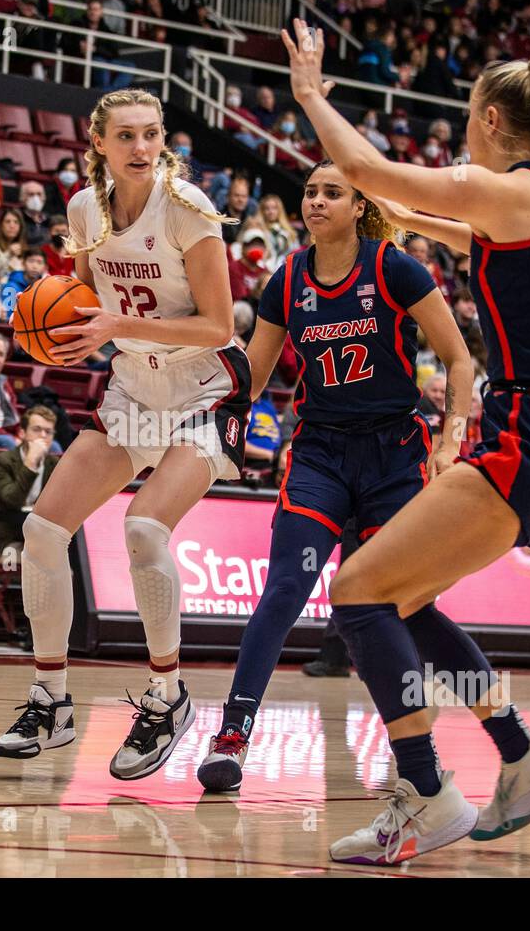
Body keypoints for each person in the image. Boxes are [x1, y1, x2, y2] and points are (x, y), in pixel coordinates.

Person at [279, 24, 530, 863]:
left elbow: (364, 172)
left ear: (494, 121)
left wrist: (314, 95)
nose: (465, 133)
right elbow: (474, 239)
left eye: (469, 119)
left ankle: (425, 791)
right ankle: (522, 754)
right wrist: (413, 221)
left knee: (356, 591)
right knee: (407, 597)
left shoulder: (512, 187)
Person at [0, 88, 249, 783]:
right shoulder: (83, 209)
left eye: (153, 134)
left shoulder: (188, 208)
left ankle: (168, 697)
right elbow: (82, 305)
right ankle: (51, 700)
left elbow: (219, 327)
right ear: (98, 142)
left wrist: (114, 327)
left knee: (143, 529)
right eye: (126, 136)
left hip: (205, 387)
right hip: (137, 384)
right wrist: (65, 334)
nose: (141, 148)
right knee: (43, 529)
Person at [197, 161, 474, 794]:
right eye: (311, 192)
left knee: (398, 605)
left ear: (358, 207)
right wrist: (201, 393)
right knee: (286, 588)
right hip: (320, 452)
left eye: (332, 193)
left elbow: (459, 361)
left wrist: (451, 442)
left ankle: (417, 755)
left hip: (395, 455)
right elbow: (255, 378)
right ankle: (232, 737)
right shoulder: (287, 279)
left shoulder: (394, 268)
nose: (317, 201)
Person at [0, 405, 60, 566]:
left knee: (66, 563)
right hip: (3, 538)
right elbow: (12, 500)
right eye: (36, 430)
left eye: (48, 432)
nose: (42, 436)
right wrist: (30, 464)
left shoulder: (53, 464)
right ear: (22, 433)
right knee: (42, 565)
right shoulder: (1, 460)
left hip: (35, 537)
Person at [0, 249, 45, 317]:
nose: (35, 266)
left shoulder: (45, 289)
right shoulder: (10, 287)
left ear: (45, 267)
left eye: (39, 262)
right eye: (31, 261)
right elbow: (8, 316)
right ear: (23, 263)